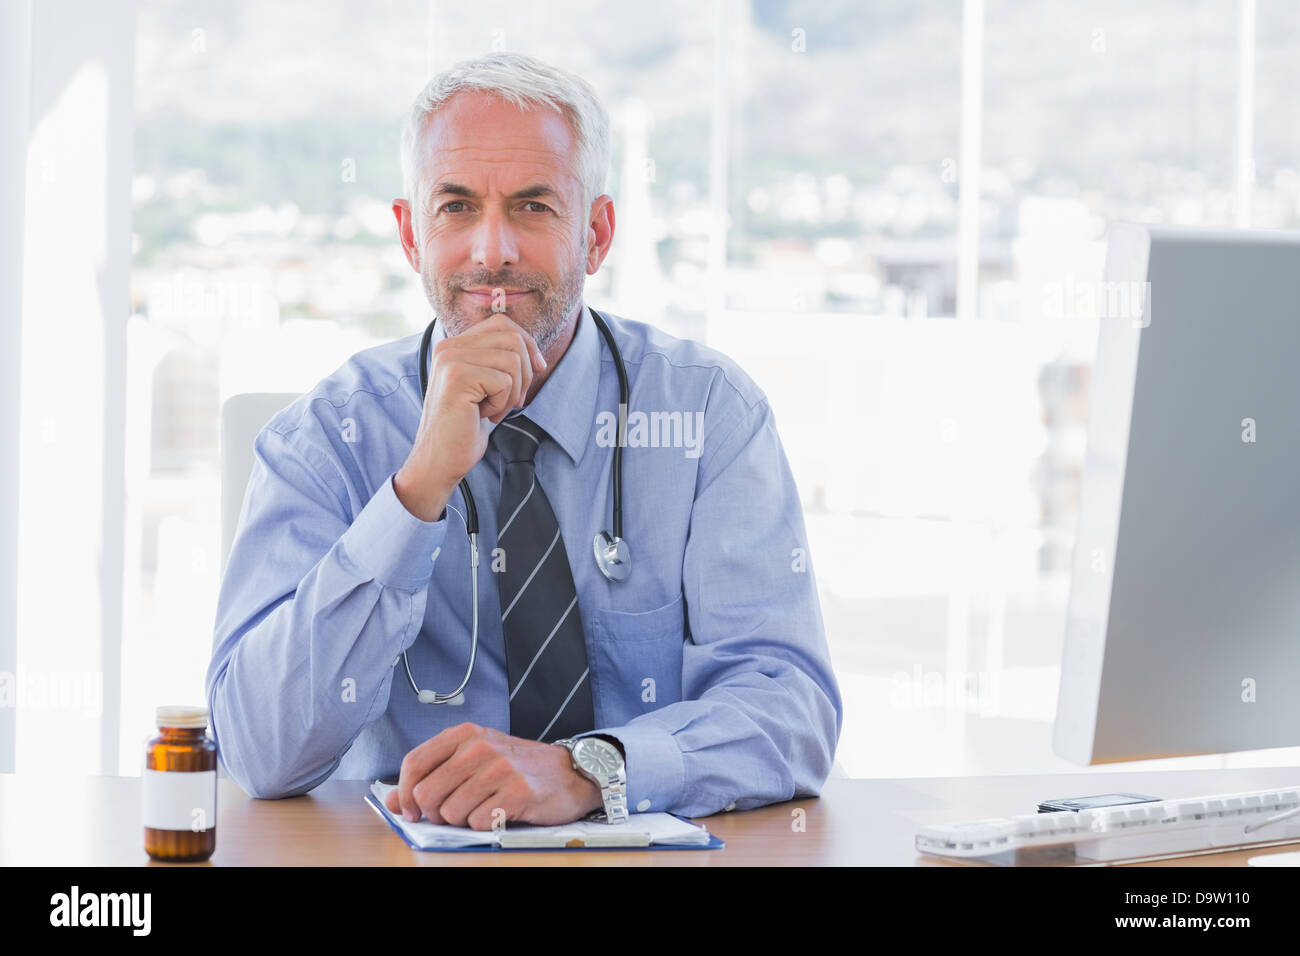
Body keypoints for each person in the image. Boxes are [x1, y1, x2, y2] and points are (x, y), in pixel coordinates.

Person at [207, 51, 842, 830]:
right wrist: (414, 494)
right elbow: (255, 751)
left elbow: (790, 709)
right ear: (411, 236)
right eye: (457, 208)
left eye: (535, 207)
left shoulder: (709, 417)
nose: (492, 251)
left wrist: (589, 770)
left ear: (596, 233)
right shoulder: (324, 439)